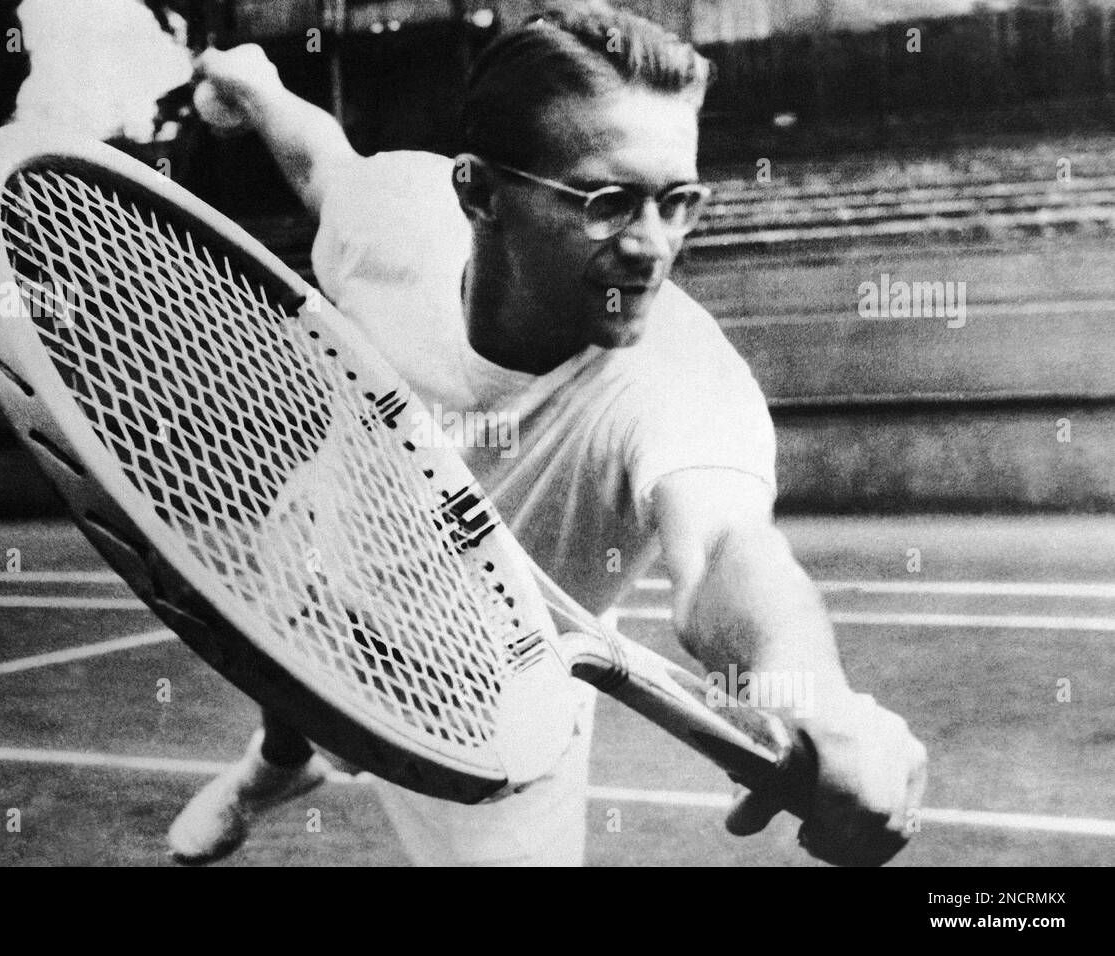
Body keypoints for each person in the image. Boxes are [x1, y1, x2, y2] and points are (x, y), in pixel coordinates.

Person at [168, 0, 927, 867]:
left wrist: (816, 696)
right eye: (609, 201)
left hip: (497, 690)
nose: (652, 246)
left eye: (677, 201)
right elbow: (315, 156)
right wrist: (251, 82)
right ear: (479, 193)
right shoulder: (393, 223)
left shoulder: (683, 382)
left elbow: (725, 549)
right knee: (286, 682)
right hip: (323, 557)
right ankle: (276, 765)